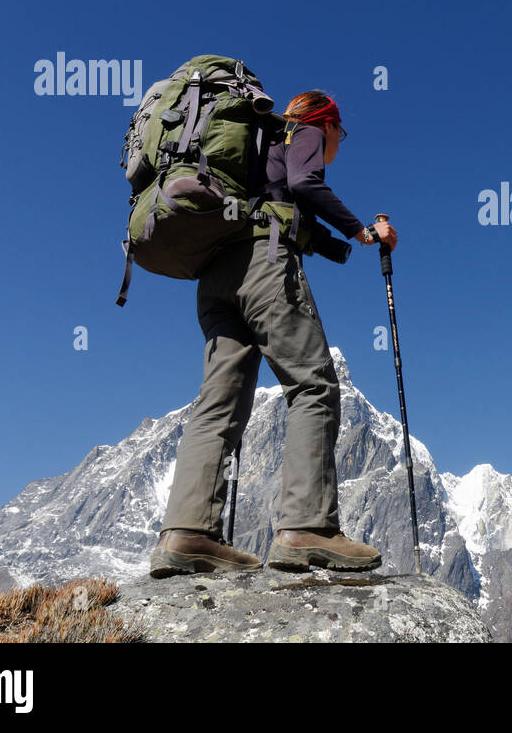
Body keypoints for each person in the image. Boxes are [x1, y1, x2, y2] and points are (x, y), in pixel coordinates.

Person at [149, 89, 397, 577]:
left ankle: (187, 534)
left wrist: (335, 248)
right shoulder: (299, 131)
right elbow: (305, 183)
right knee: (313, 386)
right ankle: (308, 528)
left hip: (216, 276)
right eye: (339, 134)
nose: (338, 143)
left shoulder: (250, 146)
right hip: (265, 267)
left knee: (218, 401)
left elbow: (278, 202)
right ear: (327, 123)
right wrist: (362, 232)